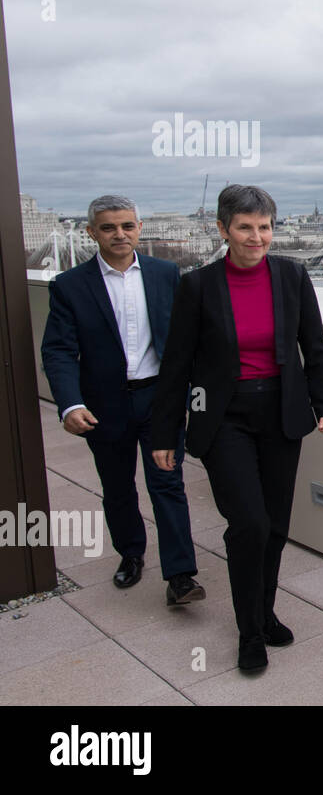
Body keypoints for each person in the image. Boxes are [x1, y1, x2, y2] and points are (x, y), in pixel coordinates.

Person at [150, 185, 323, 673]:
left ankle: (266, 611)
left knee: (275, 526)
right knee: (249, 523)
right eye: (245, 227)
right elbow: (176, 365)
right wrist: (161, 434)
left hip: (281, 413)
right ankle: (249, 632)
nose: (257, 237)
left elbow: (313, 346)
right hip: (224, 416)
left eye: (265, 227)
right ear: (222, 229)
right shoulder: (198, 286)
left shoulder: (292, 277)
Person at [41, 195, 205, 605]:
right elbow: (58, 351)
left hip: (158, 400)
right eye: (109, 227)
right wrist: (70, 403)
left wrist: (193, 393)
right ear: (92, 232)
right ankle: (131, 554)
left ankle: (181, 575)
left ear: (139, 228)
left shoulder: (166, 274)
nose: (120, 234)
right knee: (117, 487)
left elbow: (188, 339)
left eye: (127, 226)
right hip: (104, 404)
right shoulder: (70, 286)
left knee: (167, 483)